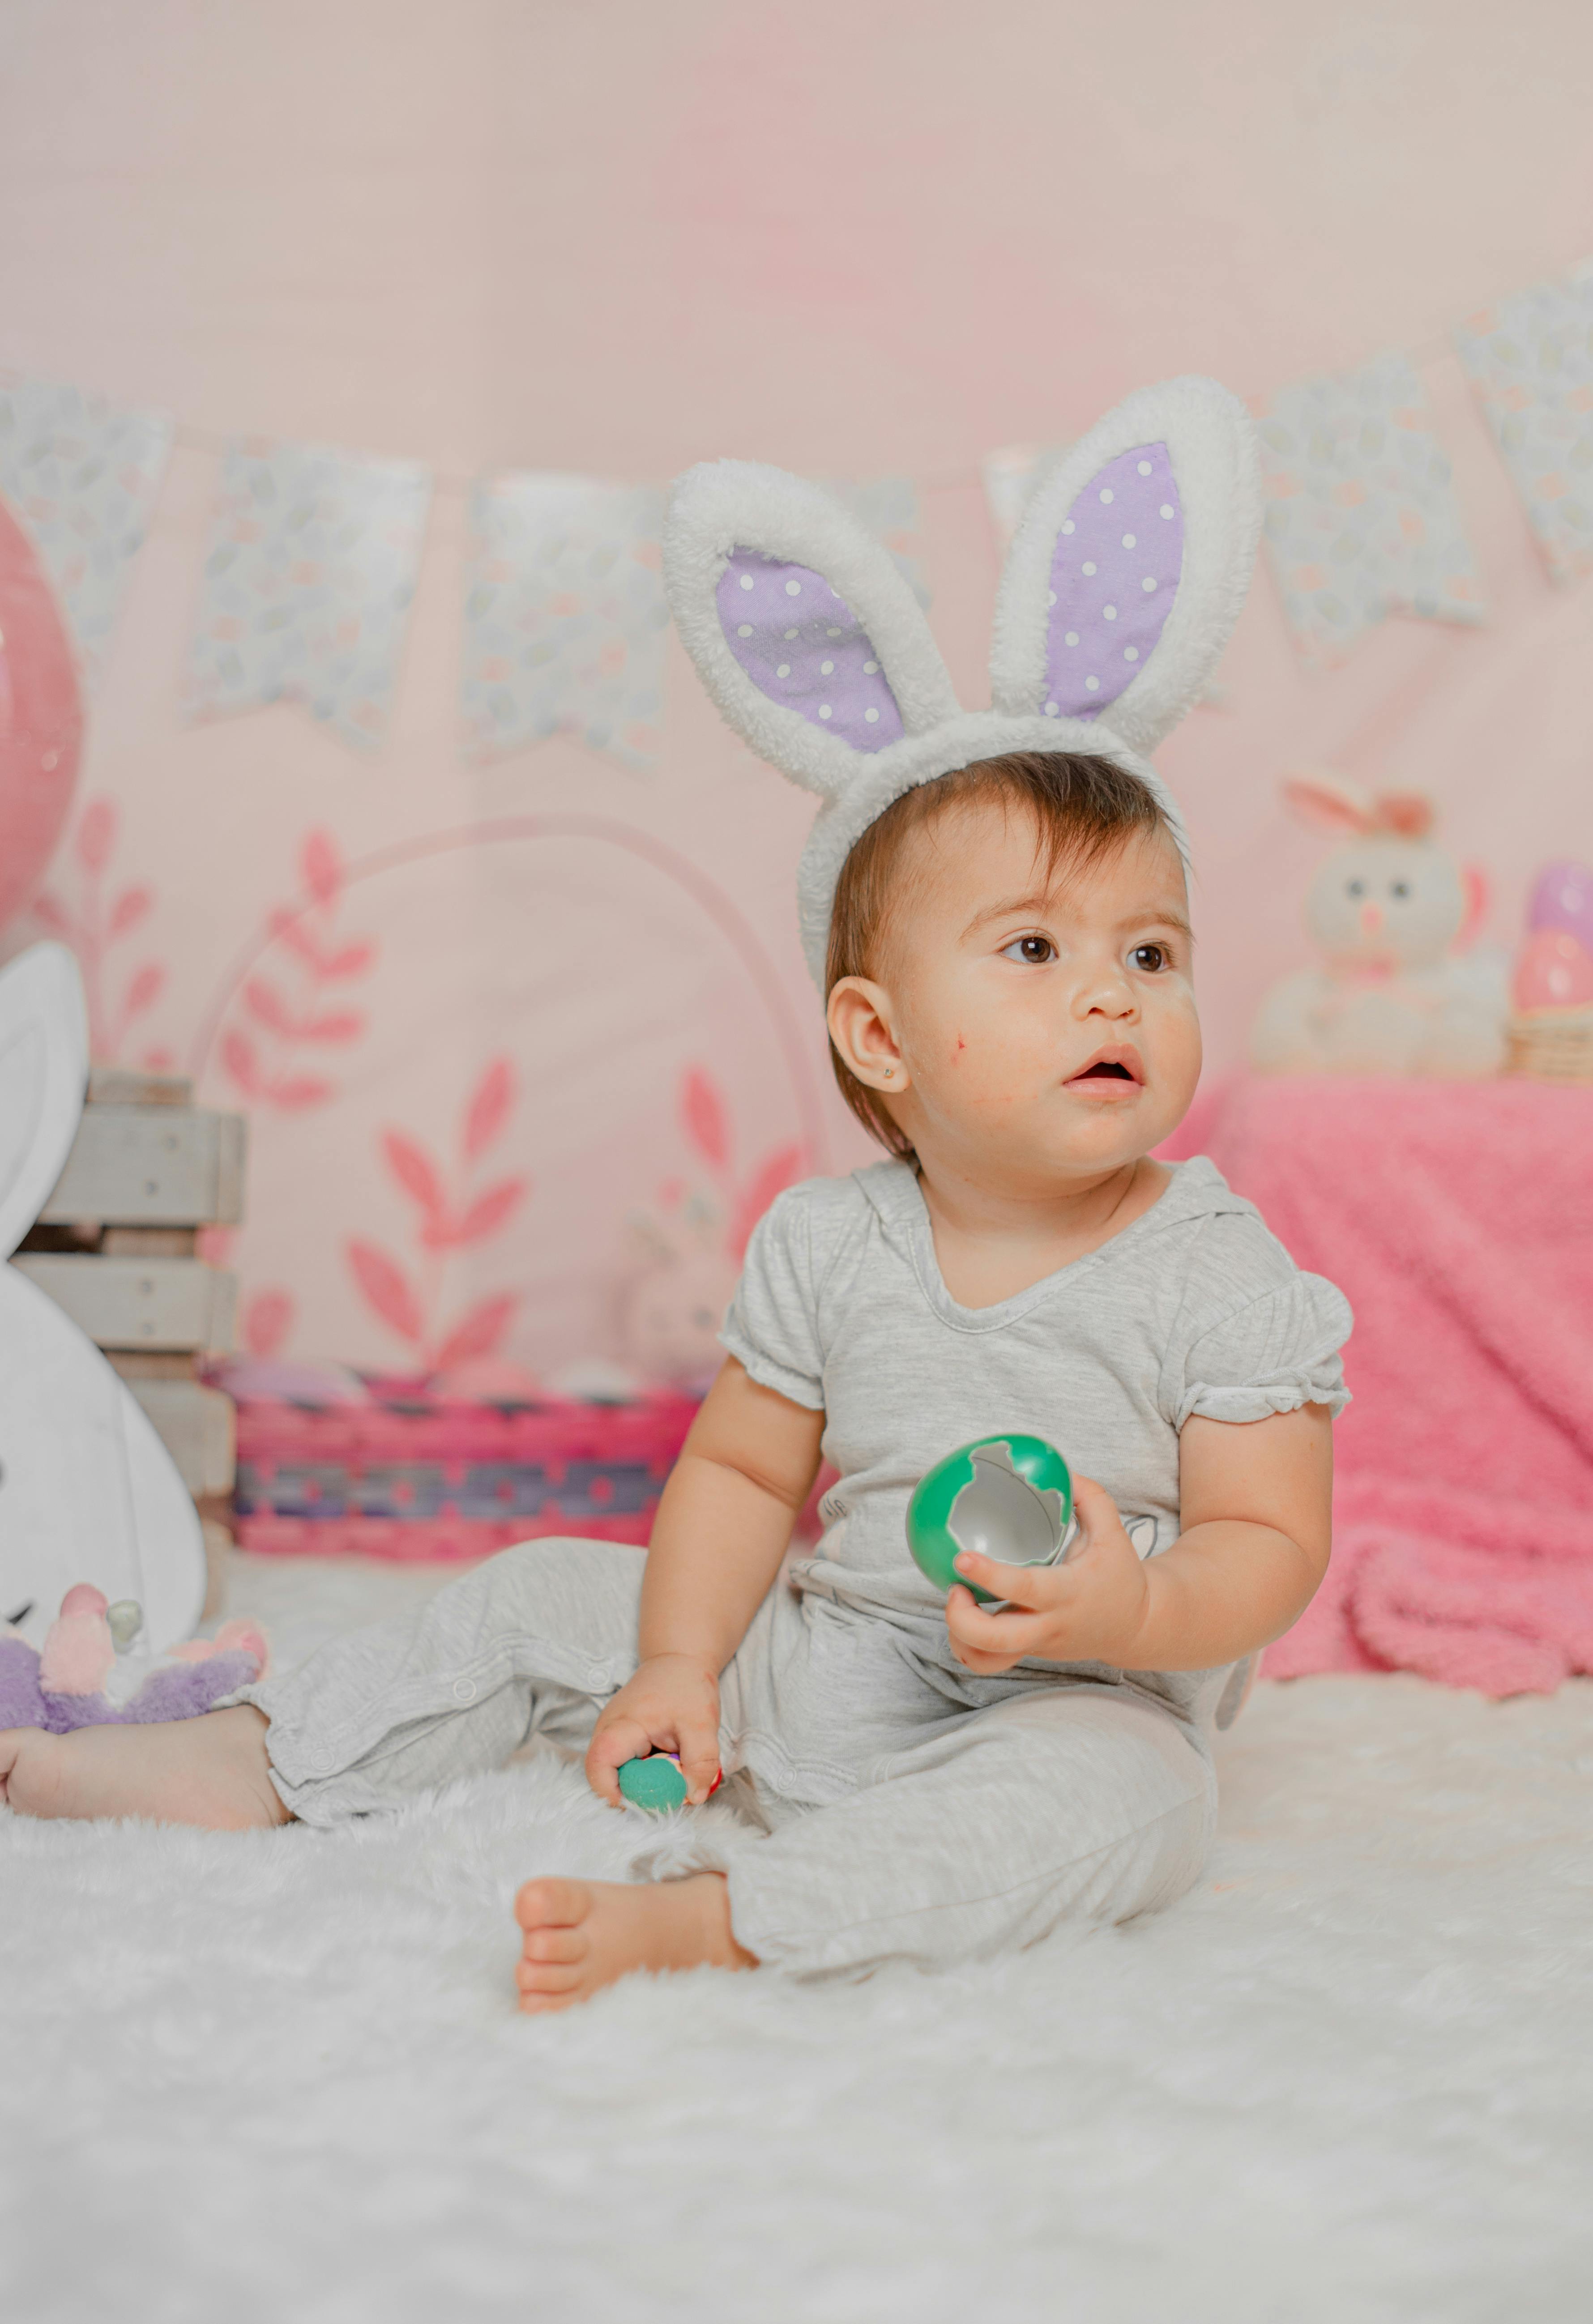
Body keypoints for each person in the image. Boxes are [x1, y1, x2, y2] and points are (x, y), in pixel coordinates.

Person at [0, 383, 1350, 2015]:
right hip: (818, 1661)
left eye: (1152, 953)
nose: (1114, 996)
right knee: (524, 1593)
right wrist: (678, 1663)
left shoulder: (1219, 1267)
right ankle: (263, 1759)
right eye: (1037, 951)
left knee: (1136, 1808)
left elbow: (1273, 1539)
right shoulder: (831, 1242)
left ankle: (743, 1909)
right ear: (881, 1035)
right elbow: (733, 1462)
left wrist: (1142, 1604)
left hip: (1076, 1695)